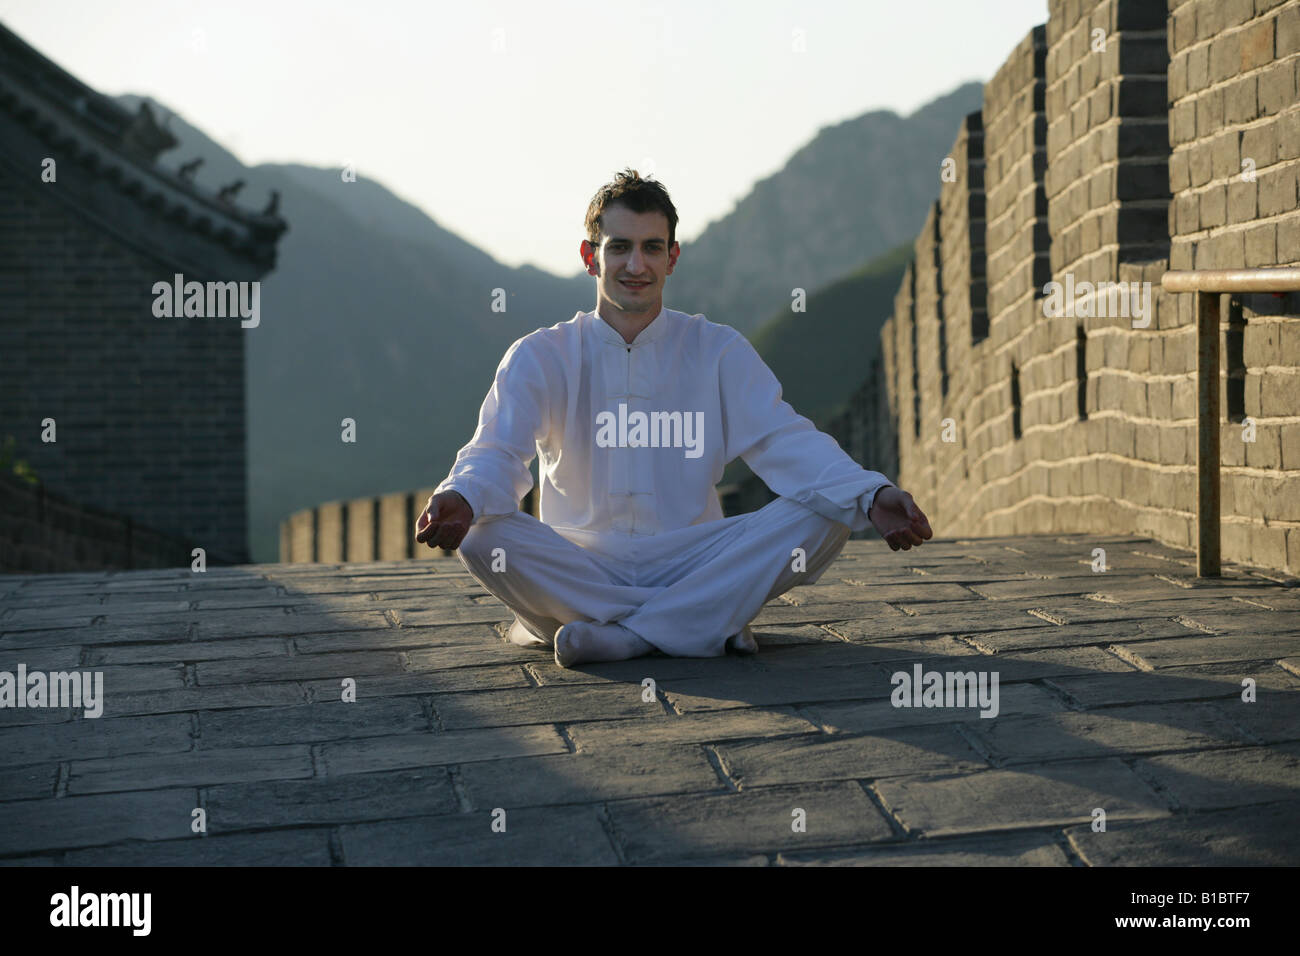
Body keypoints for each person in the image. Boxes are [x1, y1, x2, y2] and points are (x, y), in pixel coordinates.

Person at [415, 169, 932, 668]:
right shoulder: (541, 354)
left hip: (695, 560)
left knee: (827, 512)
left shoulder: (717, 349)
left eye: (651, 248)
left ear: (672, 258)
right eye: (619, 246)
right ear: (590, 257)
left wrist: (870, 494)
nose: (635, 264)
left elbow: (783, 440)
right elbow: (497, 453)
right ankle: (693, 624)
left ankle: (623, 637)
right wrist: (463, 496)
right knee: (483, 535)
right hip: (582, 561)